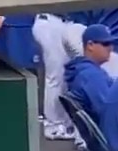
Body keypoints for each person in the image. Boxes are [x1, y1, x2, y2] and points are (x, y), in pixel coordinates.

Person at [32, 11, 82, 141]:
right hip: (50, 22)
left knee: (65, 73)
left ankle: (64, 123)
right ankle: (54, 126)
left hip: (63, 22)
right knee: (56, 75)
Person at [63, 24, 115, 121]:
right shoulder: (91, 75)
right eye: (106, 44)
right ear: (90, 45)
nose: (111, 48)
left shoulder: (86, 70)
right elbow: (107, 111)